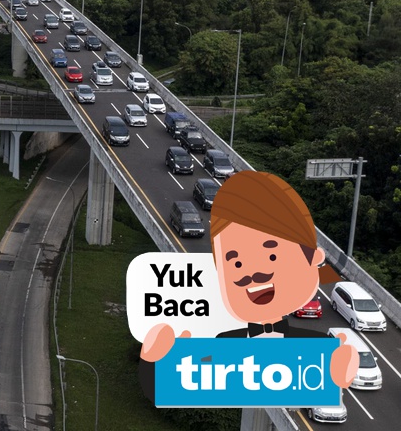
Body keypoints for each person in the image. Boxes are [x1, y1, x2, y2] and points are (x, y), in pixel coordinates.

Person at [138, 171, 357, 399]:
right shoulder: (224, 342)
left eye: (272, 256)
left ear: (313, 258)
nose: (253, 275)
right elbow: (176, 381)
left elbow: (332, 374)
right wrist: (157, 361)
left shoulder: (315, 348)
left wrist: (340, 368)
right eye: (236, 262)